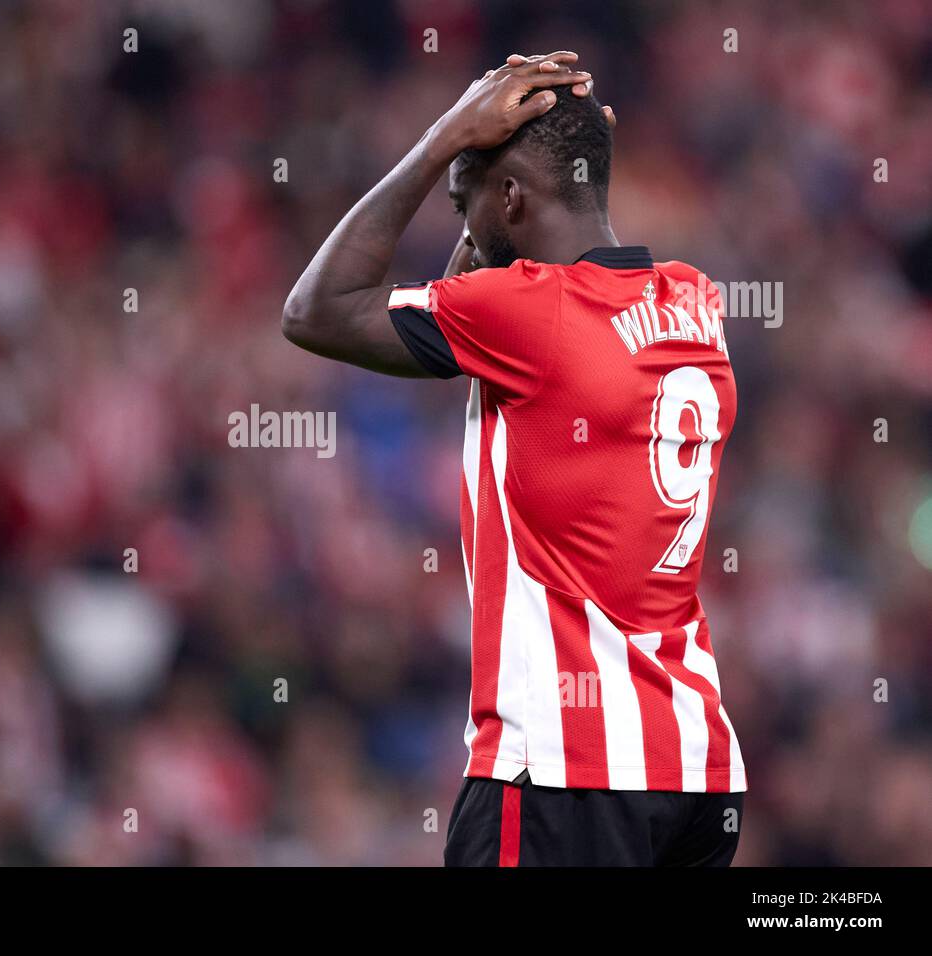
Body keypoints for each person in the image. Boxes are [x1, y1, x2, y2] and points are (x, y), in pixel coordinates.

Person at [282, 52, 745, 866]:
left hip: (563, 773)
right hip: (697, 770)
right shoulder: (695, 301)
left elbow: (315, 310)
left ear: (510, 197)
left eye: (467, 206)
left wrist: (439, 140)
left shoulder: (528, 314)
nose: (462, 233)